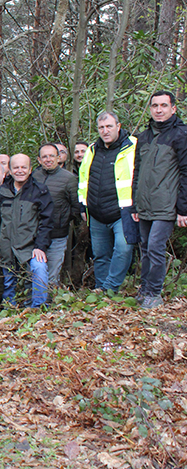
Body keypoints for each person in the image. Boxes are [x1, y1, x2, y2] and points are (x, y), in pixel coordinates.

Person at [131, 90, 187, 308]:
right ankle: (145, 289)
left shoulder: (180, 135)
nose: (159, 110)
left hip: (167, 204)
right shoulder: (143, 137)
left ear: (173, 108)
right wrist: (135, 204)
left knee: (155, 246)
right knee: (145, 247)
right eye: (155, 106)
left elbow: (185, 172)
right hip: (145, 204)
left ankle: (154, 293)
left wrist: (183, 209)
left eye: (164, 105)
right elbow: (137, 172)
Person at [78, 111, 137, 294]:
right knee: (100, 255)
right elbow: (83, 179)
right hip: (96, 212)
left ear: (118, 126)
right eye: (101, 127)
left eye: (109, 126)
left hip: (124, 211)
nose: (105, 131)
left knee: (123, 249)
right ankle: (101, 291)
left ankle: (110, 287)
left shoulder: (133, 146)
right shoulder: (92, 149)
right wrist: (83, 205)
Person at [0, 153, 53, 307]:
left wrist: (40, 246)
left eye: (23, 167)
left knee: (39, 269)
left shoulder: (40, 191)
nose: (20, 171)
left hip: (30, 246)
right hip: (6, 247)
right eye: (16, 167)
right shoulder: (3, 191)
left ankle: (38, 307)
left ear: (30, 169)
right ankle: (9, 307)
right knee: (7, 280)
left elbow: (47, 222)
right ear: (9, 171)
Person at [32, 143, 79, 286]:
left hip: (57, 233)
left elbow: (75, 206)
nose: (48, 159)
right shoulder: (34, 176)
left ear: (58, 158)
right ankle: (36, 302)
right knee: (36, 271)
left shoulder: (69, 178)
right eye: (44, 156)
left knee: (53, 273)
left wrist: (63, 220)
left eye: (52, 156)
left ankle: (51, 303)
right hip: (35, 233)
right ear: (39, 160)